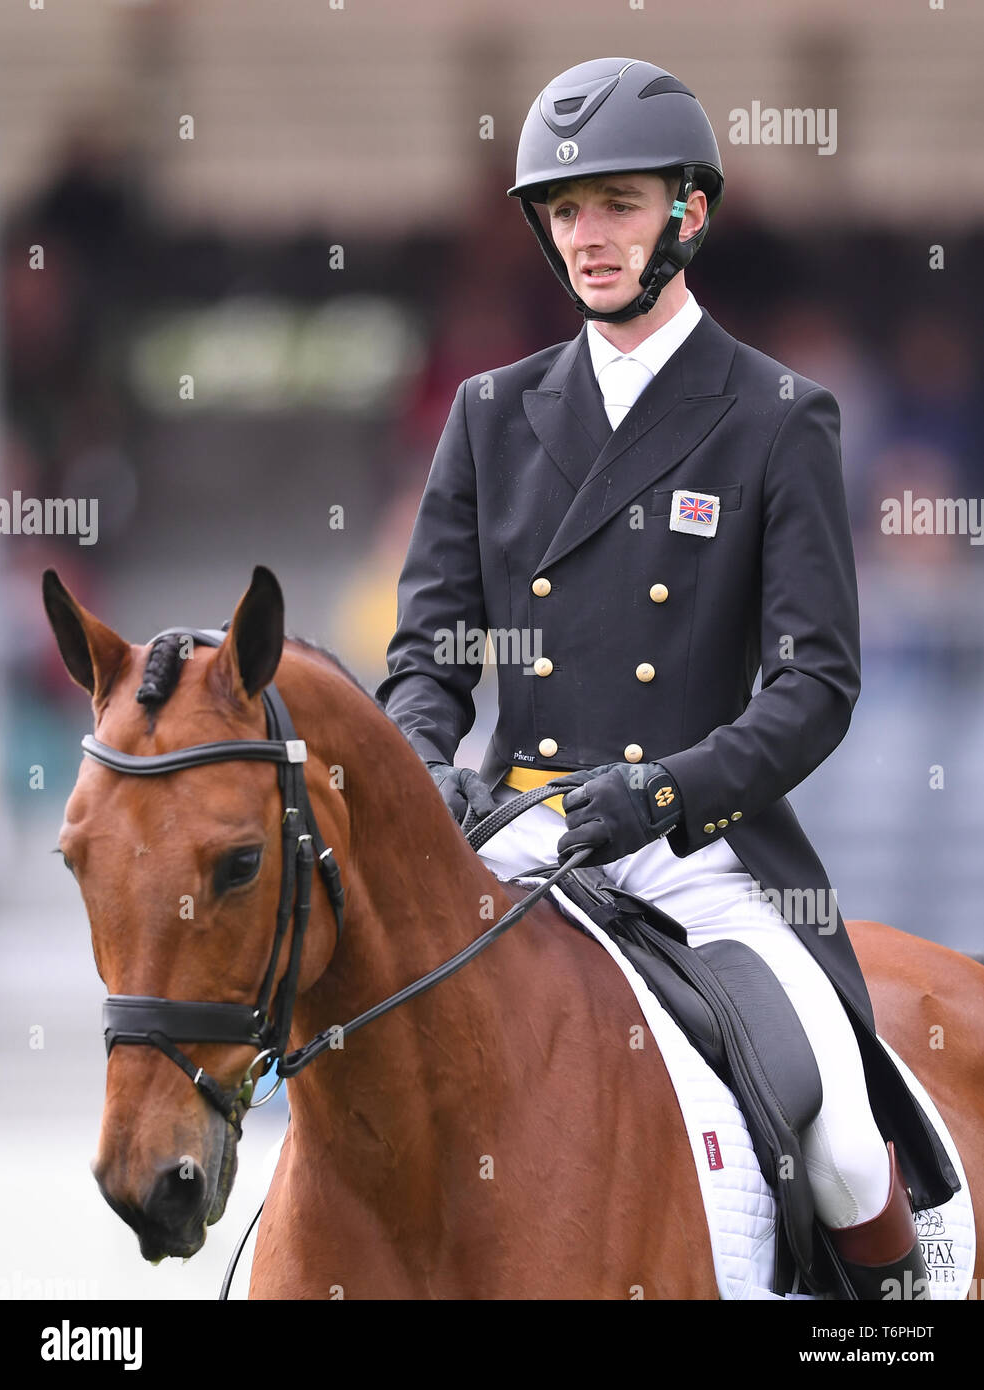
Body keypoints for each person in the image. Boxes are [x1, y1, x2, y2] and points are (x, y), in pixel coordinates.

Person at [375, 57, 957, 1299]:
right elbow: (428, 650)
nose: (589, 236)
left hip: (699, 849)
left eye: (620, 204)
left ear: (688, 215)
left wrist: (662, 797)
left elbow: (816, 685)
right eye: (567, 211)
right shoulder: (488, 411)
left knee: (850, 1144)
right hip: (514, 828)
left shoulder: (776, 413)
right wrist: (426, 763)